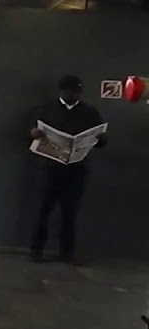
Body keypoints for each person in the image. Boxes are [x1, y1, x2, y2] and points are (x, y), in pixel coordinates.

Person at [29, 75, 107, 264]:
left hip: (76, 170)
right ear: (61, 91)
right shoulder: (46, 109)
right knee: (42, 211)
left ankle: (66, 253)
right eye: (69, 91)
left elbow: (101, 141)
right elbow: (31, 133)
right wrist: (34, 134)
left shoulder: (89, 112)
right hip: (50, 168)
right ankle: (36, 250)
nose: (72, 94)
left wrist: (101, 139)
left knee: (70, 213)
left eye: (76, 91)